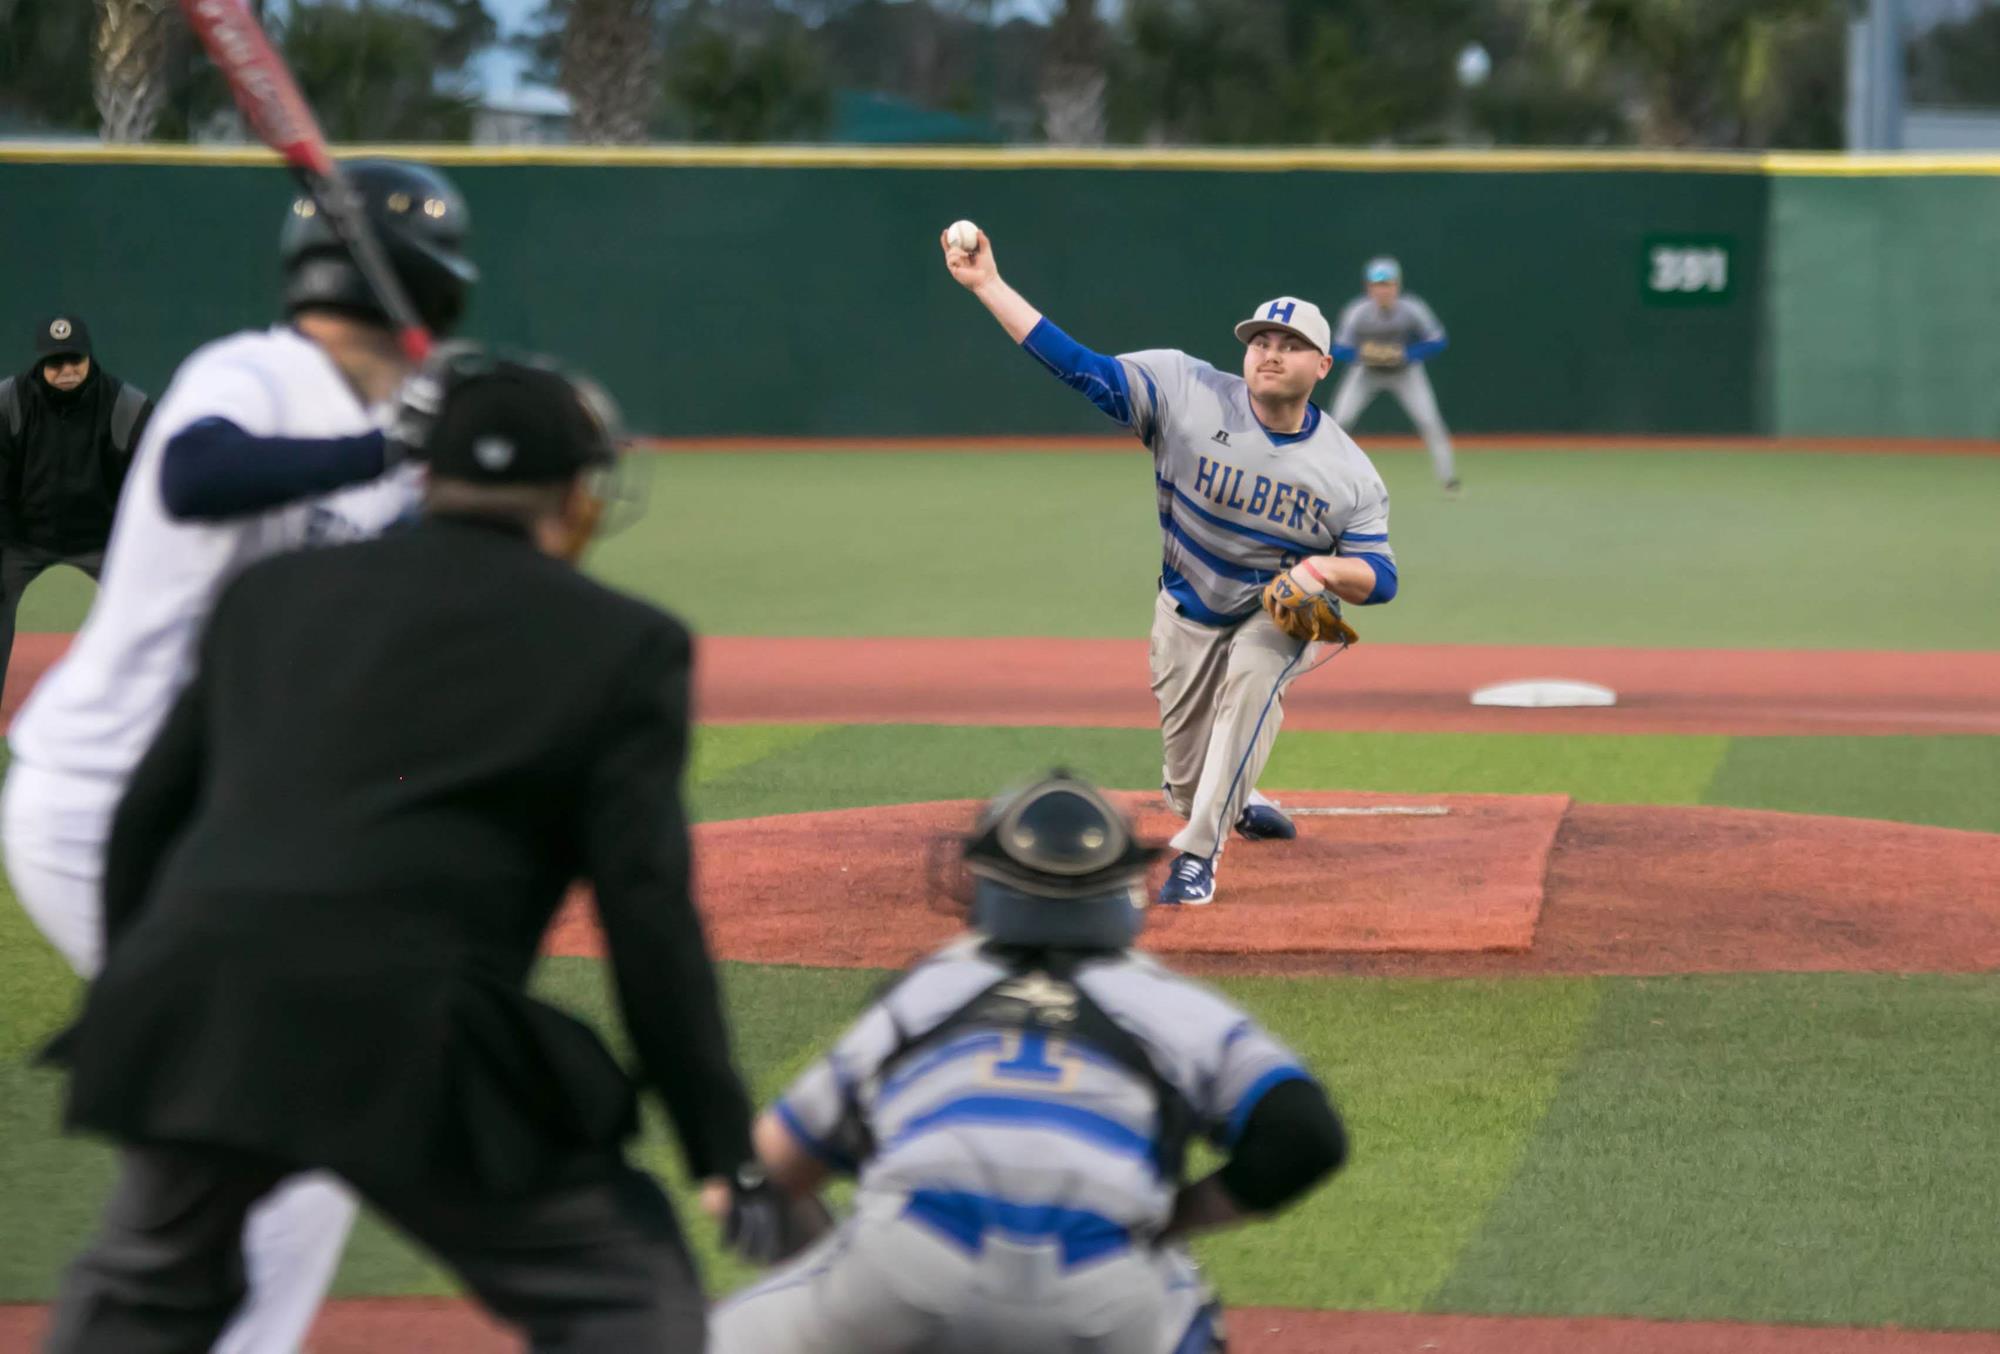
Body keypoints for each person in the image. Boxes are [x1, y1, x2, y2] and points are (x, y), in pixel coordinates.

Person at [43, 353, 785, 1352]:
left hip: (209, 1004)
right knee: (624, 1295)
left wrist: (148, 1000)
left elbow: (144, 821)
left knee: (145, 1292)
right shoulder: (621, 644)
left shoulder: (272, 593)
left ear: (423, 476)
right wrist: (721, 1148)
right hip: (419, 1030)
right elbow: (646, 917)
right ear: (575, 499)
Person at [2, 158, 477, 1354]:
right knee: (271, 1103)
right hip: (98, 812)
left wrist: (467, 465)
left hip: (218, 830)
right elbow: (194, 470)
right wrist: (384, 458)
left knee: (296, 1125)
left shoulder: (384, 434)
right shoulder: (250, 373)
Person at [708, 770, 1350, 1354]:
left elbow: (752, 1176)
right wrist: (1171, 1219)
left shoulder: (933, 989)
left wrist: (839, 1266)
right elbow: (1307, 1134)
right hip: (1103, 1286)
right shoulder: (1162, 1000)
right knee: (1186, 1311)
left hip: (908, 1265)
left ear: (988, 886)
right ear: (1122, 890)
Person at [941, 225, 1399, 906]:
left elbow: (1380, 579)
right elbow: (1081, 367)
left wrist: (1326, 573)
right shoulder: (1185, 389)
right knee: (1185, 786)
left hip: (1276, 613)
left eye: (1290, 345)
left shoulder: (1347, 472)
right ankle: (1228, 802)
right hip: (1184, 610)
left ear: (1323, 365)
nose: (1270, 354)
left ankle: (1198, 858)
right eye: (1261, 342)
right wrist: (987, 285)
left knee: (1258, 663)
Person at [0, 314, 151, 698]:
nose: (66, 369)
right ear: (40, 363)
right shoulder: (10, 404)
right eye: (56, 362)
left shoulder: (126, 406)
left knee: (148, 601)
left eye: (75, 360)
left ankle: (144, 699)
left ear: (89, 358)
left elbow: (149, 486)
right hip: (24, 540)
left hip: (103, 539)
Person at [1330, 257, 1460, 495]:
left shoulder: (1412, 308)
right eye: (1377, 284)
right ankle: (1325, 477)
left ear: (1397, 286)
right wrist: (1365, 354)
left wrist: (1407, 354)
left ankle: (1449, 479)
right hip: (1365, 373)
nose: (1383, 289)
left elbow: (1438, 340)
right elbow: (1338, 348)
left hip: (1405, 373)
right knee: (1340, 421)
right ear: (1369, 287)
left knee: (1430, 421)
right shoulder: (1357, 311)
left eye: (1387, 284)